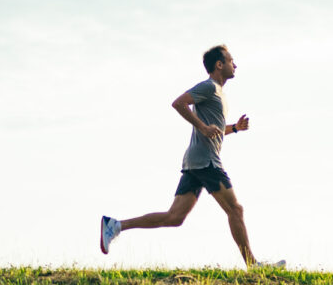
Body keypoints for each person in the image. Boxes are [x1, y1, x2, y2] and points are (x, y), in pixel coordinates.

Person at [99, 45, 283, 268]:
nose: (235, 65)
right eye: (231, 60)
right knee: (235, 209)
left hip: (196, 161)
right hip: (207, 160)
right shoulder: (209, 87)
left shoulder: (219, 94)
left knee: (174, 218)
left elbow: (215, 128)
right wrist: (203, 127)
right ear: (219, 64)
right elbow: (178, 103)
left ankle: (115, 226)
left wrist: (234, 128)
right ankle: (253, 265)